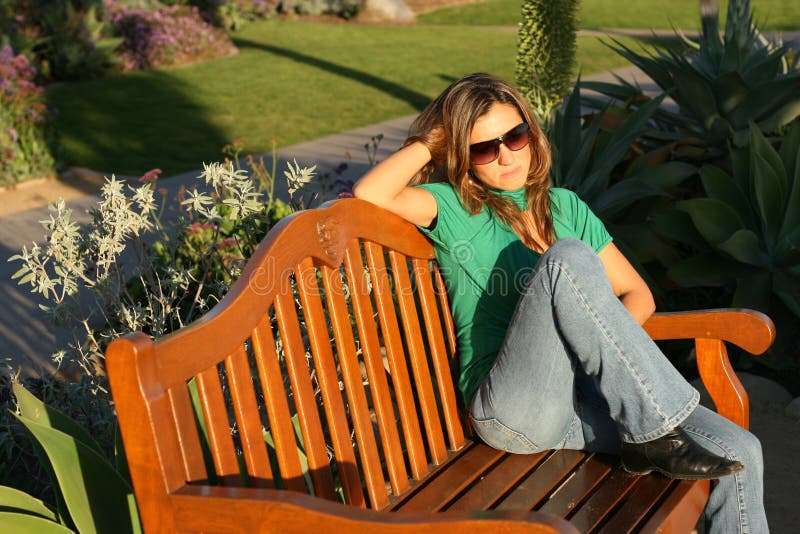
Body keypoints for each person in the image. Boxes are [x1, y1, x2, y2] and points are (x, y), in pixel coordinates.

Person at [353, 73, 767, 533]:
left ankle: (650, 431)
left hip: (582, 401)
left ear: (531, 133)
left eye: (515, 136)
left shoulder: (566, 206)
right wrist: (434, 141)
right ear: (462, 157)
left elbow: (639, 295)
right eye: (484, 148)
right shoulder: (452, 207)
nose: (507, 155)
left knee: (742, 451)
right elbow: (371, 193)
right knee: (568, 258)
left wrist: (601, 346)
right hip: (512, 410)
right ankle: (655, 431)